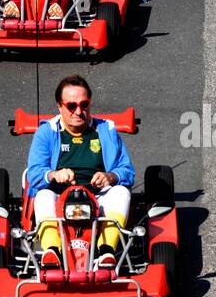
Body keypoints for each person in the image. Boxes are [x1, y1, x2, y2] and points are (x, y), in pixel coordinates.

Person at [26, 75, 135, 270]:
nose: (79, 111)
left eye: (84, 104)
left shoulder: (106, 130)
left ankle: (106, 251)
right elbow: (34, 174)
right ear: (60, 106)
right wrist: (53, 175)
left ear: (90, 103)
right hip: (59, 195)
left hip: (98, 197)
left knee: (122, 192)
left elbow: (127, 172)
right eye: (71, 106)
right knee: (42, 195)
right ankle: (52, 251)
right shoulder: (46, 132)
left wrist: (110, 176)